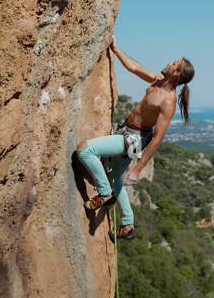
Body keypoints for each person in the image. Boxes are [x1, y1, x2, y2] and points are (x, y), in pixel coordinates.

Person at [75, 42, 194, 239]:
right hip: (128, 132)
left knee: (85, 150)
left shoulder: (168, 101)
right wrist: (115, 49)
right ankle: (128, 224)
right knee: (116, 179)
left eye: (174, 63)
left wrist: (138, 168)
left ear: (177, 74)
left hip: (134, 139)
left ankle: (105, 194)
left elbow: (158, 138)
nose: (169, 63)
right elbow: (134, 68)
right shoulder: (157, 81)